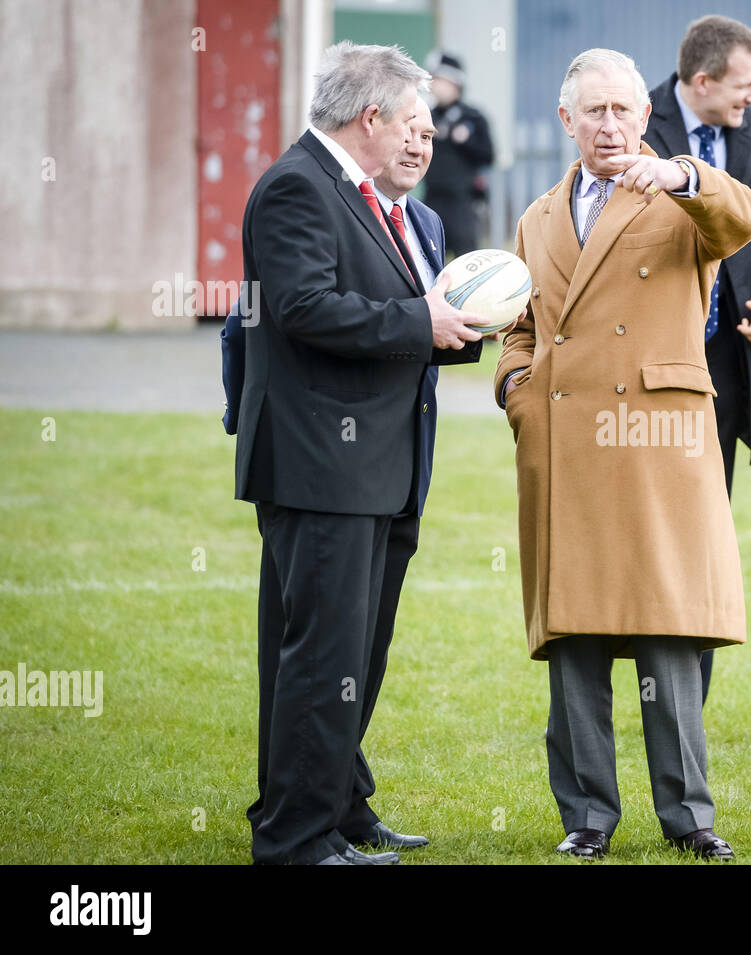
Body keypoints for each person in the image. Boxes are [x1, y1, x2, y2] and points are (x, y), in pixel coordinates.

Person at [494, 48, 751, 861]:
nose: (609, 125)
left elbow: (742, 215)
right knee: (573, 633)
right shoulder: (538, 217)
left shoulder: (680, 198)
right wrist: (517, 389)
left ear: (645, 118)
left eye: (623, 111)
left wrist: (682, 175)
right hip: (565, 441)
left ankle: (690, 817)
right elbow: (520, 324)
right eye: (593, 112)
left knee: (666, 630)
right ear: (566, 119)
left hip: (656, 437)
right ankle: (587, 816)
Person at [237, 41, 485, 865]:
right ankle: (296, 840)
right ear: (370, 116)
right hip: (323, 467)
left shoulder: (375, 200)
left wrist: (464, 325)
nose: (425, 138)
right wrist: (423, 323)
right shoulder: (295, 187)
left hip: (383, 465)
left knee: (355, 652)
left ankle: (339, 805)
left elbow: (403, 312)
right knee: (321, 654)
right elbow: (304, 306)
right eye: (412, 121)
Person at [644, 14, 751, 703]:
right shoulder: (634, 123)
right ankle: (634, 679)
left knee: (706, 539)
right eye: (745, 84)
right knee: (647, 539)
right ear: (701, 81)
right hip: (646, 374)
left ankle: (687, 704)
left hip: (729, 368)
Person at [422, 51, 495, 257]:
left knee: (466, 259)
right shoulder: (427, 115)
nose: (435, 85)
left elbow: (488, 155)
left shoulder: (473, 117)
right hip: (432, 199)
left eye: (439, 80)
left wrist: (466, 141)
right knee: (428, 258)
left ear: (455, 83)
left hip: (462, 202)